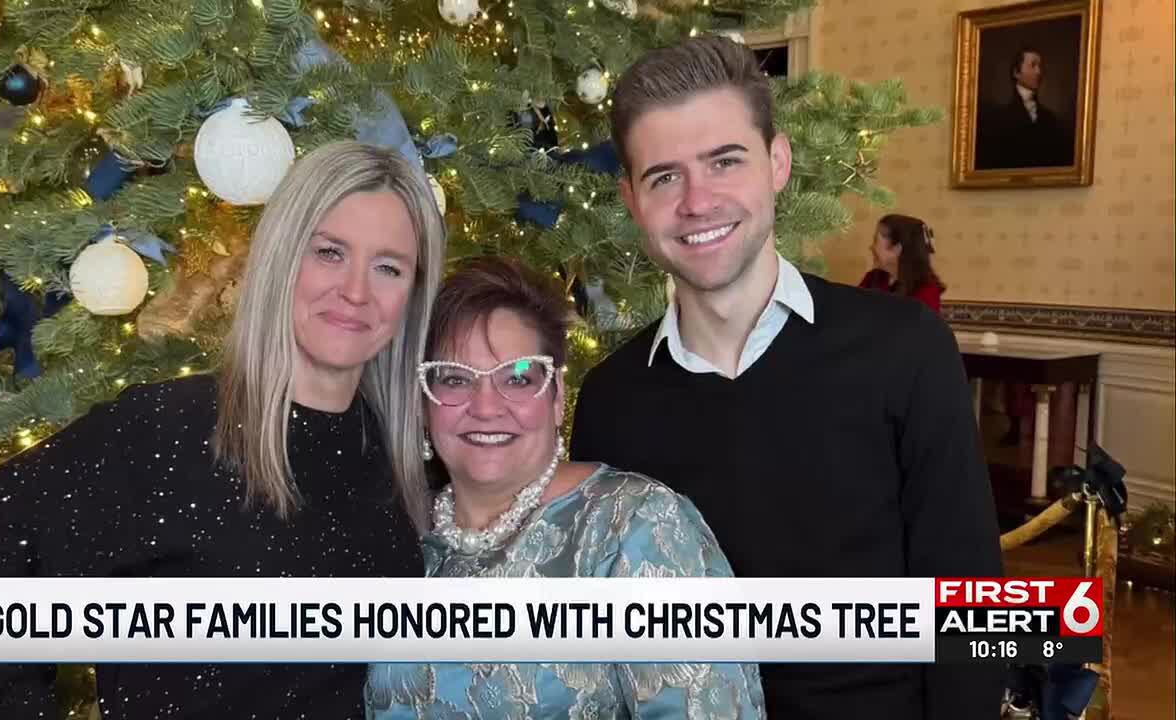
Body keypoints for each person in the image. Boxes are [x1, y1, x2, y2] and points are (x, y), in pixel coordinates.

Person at [0, 140, 445, 719]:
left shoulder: (404, 460)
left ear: (413, 293)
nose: (357, 291)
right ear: (283, 257)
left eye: (388, 267)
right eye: (330, 253)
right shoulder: (165, 430)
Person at [569, 36, 1003, 720]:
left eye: (724, 161)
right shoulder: (609, 402)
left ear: (778, 162)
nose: (697, 200)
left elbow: (969, 602)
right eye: (664, 177)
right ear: (631, 199)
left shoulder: (904, 350)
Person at [364, 256, 765, 719]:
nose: (487, 406)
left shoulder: (635, 526)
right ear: (423, 404)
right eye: (455, 379)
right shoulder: (399, 539)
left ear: (556, 398)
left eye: (518, 378)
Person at [975, 46, 1073, 170]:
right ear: (1016, 72)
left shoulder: (1050, 118)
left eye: (1039, 66)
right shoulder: (998, 118)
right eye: (1033, 65)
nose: (1039, 72)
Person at [859, 213, 945, 313]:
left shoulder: (927, 292)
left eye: (875, 241)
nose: (871, 248)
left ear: (897, 249)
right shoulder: (872, 277)